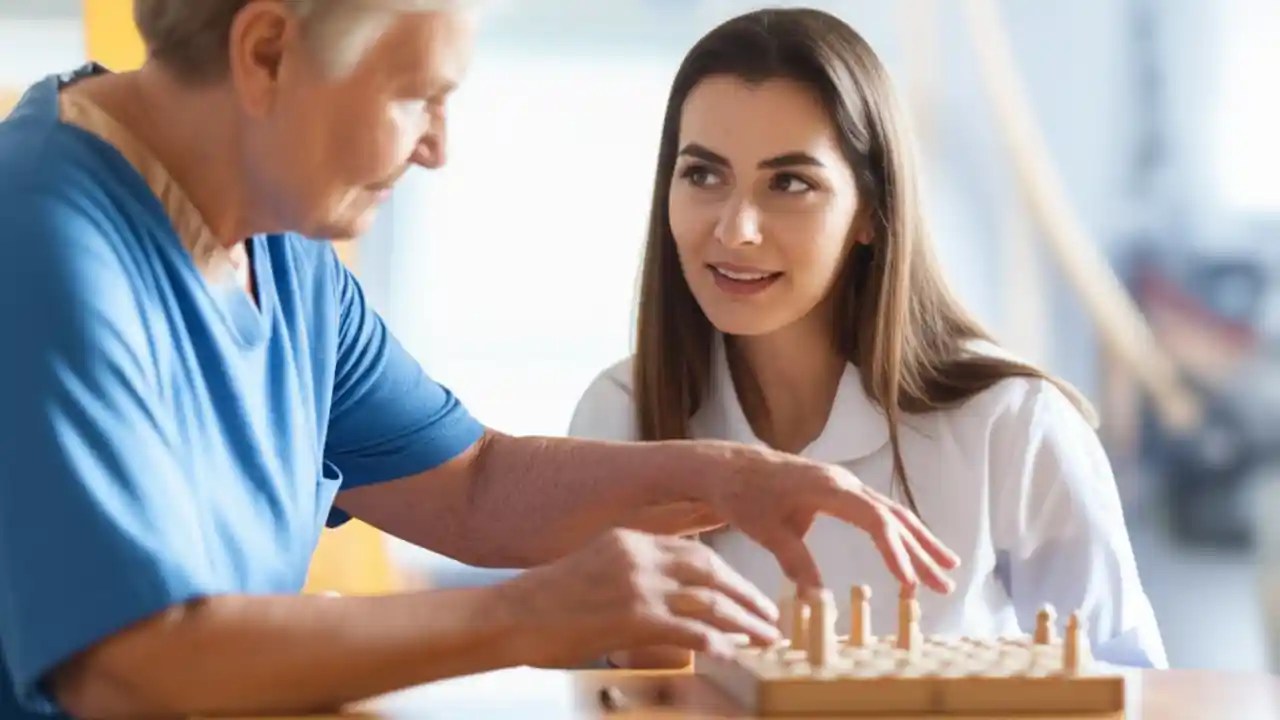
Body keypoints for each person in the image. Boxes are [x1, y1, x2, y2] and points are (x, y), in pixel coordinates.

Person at [0, 2, 964, 718]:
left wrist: (723, 474)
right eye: (416, 96)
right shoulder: (43, 242)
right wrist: (528, 616)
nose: (438, 148)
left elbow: (473, 483)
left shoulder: (276, 244)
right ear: (265, 53)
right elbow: (132, 666)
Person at [569, 8, 1167, 670]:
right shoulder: (617, 413)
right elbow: (584, 686)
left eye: (789, 183)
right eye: (703, 175)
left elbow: (1131, 688)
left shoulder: (1011, 427)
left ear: (871, 214)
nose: (736, 228)